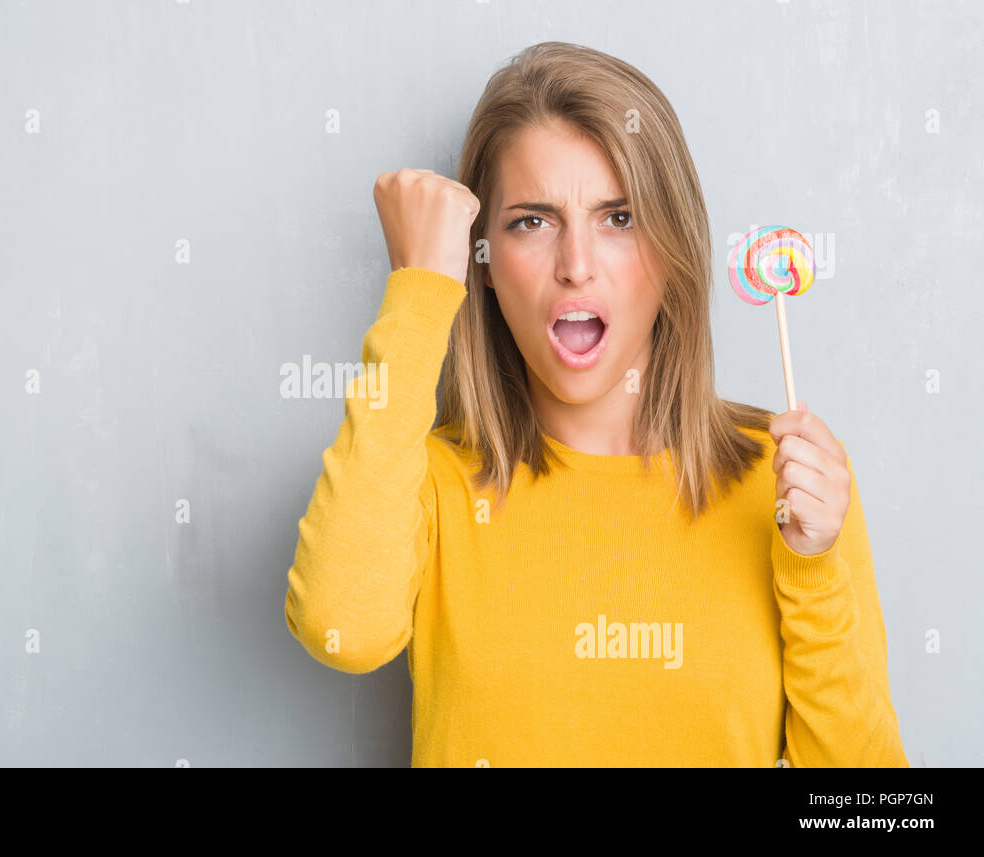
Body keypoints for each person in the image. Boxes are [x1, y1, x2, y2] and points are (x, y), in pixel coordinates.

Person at [283, 41, 909, 767]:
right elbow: (341, 628)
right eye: (531, 221)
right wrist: (421, 292)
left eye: (619, 218)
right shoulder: (427, 482)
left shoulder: (791, 484)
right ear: (480, 264)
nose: (576, 264)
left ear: (674, 247)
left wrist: (811, 565)